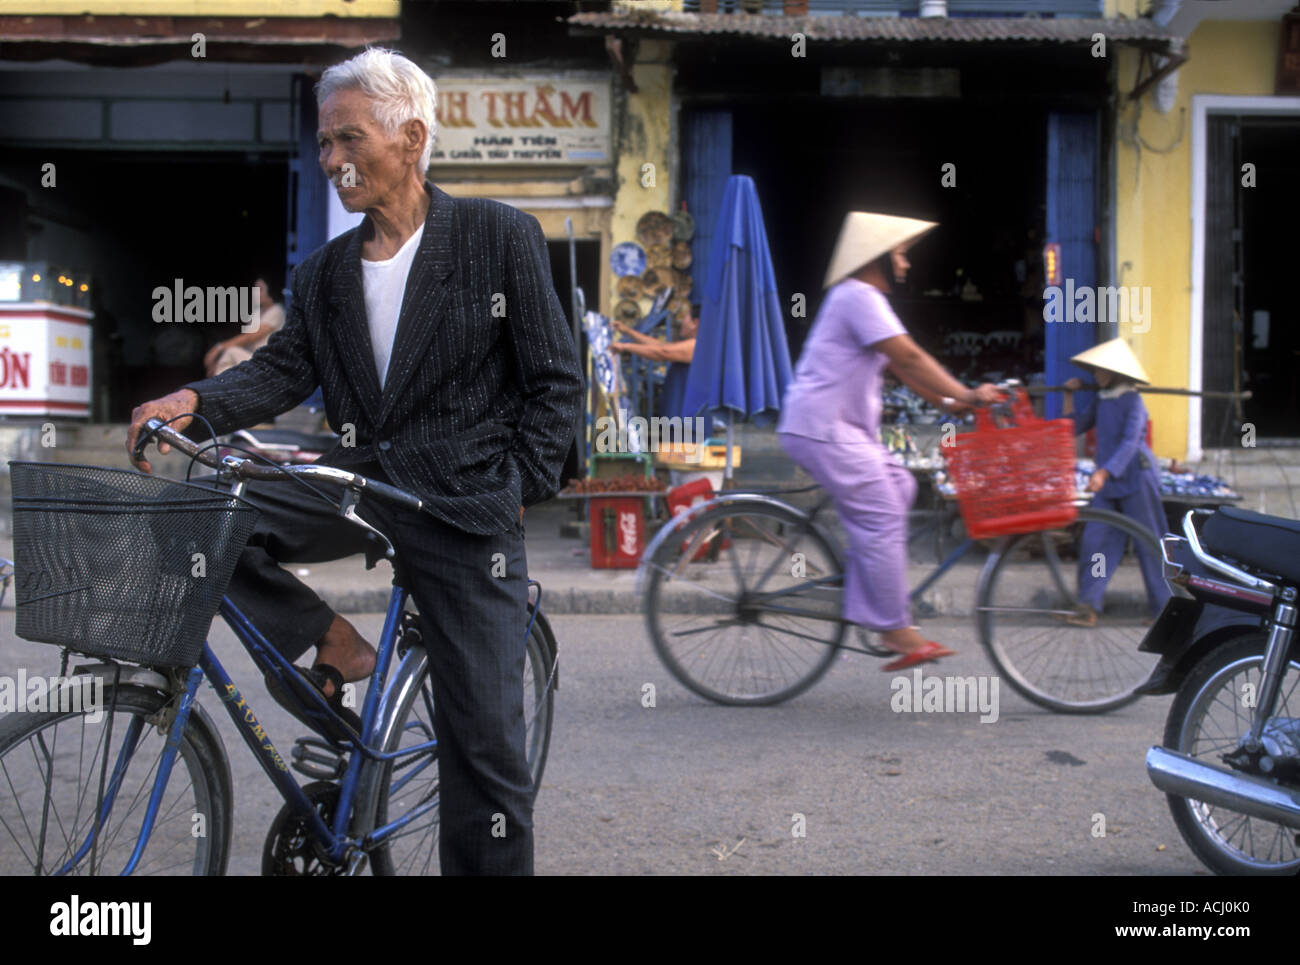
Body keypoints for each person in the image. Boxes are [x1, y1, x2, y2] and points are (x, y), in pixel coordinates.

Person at [126, 46, 582, 875]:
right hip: (365, 476)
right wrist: (191, 400)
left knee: (482, 756)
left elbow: (556, 383)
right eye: (325, 142)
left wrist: (516, 488)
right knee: (204, 517)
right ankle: (332, 639)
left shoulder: (498, 236)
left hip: (464, 504)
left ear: (410, 138)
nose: (331, 159)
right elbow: (281, 369)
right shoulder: (327, 272)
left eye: (347, 139)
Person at [777, 211, 1002, 671]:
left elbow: (900, 366)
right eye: (900, 253)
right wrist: (965, 392)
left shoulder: (859, 299)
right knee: (880, 504)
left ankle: (871, 603)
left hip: (835, 428)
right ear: (876, 257)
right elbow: (909, 355)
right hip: (823, 428)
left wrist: (947, 403)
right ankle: (894, 627)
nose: (906, 263)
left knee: (899, 485)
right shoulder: (858, 295)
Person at [1062, 338, 1171, 626]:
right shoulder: (1102, 400)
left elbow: (1130, 443)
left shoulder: (1133, 400)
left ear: (1114, 373)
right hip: (1109, 482)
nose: (1095, 375)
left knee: (1151, 544)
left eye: (1100, 371)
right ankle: (1089, 605)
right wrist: (1069, 396)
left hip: (1137, 478)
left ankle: (1165, 610)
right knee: (1096, 543)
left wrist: (1104, 472)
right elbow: (1073, 427)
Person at [202, 276, 286, 376]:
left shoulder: (277, 311)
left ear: (271, 291)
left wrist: (219, 348)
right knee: (226, 359)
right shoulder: (258, 312)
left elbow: (250, 337)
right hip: (251, 358)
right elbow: (244, 339)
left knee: (230, 352)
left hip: (266, 363)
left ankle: (214, 387)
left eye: (260, 290)